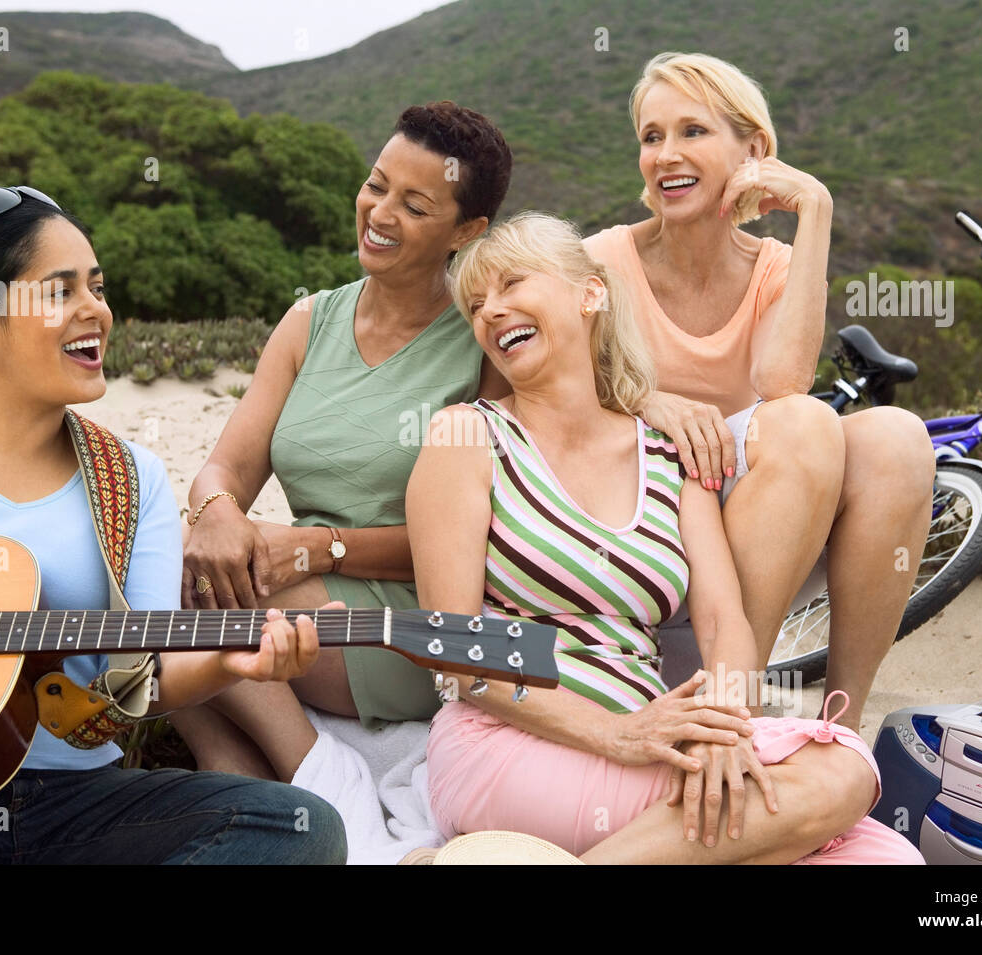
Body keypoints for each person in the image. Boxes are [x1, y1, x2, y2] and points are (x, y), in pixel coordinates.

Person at [0, 187, 346, 864]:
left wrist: (226, 663)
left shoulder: (128, 478)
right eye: (60, 291)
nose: (96, 309)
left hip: (73, 805)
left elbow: (145, 676)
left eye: (97, 286)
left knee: (299, 825)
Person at [408, 211, 923, 863]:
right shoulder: (466, 435)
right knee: (838, 774)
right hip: (510, 742)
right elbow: (456, 652)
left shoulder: (666, 454)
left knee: (885, 858)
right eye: (477, 304)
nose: (493, 311)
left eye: (513, 283)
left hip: (649, 742)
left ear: (590, 293)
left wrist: (724, 728)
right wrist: (616, 733)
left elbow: (723, 618)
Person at [584, 52, 936, 730]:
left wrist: (815, 209)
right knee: (803, 423)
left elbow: (782, 384)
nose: (665, 154)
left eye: (692, 131)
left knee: (895, 437)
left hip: (761, 528)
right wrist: (646, 400)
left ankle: (837, 729)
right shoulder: (603, 261)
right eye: (651, 136)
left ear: (755, 151)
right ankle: (733, 708)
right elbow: (550, 399)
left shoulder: (775, 266)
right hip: (643, 529)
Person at [171, 102, 514, 782]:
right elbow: (225, 467)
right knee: (164, 561)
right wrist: (216, 513)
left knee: (206, 602)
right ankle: (230, 763)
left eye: (416, 205)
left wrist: (312, 547)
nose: (381, 213)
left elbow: (495, 534)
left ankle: (319, 774)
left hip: (417, 614)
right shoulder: (309, 319)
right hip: (300, 583)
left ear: (466, 230)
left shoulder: (483, 342)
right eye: (376, 184)